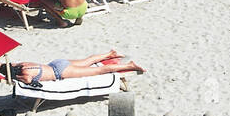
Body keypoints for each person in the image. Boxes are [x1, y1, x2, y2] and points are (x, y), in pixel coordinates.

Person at [10, 50, 144, 86]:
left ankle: (129, 65)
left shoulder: (25, 73)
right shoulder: (22, 64)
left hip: (61, 72)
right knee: (87, 61)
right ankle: (109, 54)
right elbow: (8, 65)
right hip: (56, 63)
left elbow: (27, 80)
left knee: (98, 71)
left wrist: (14, 77)